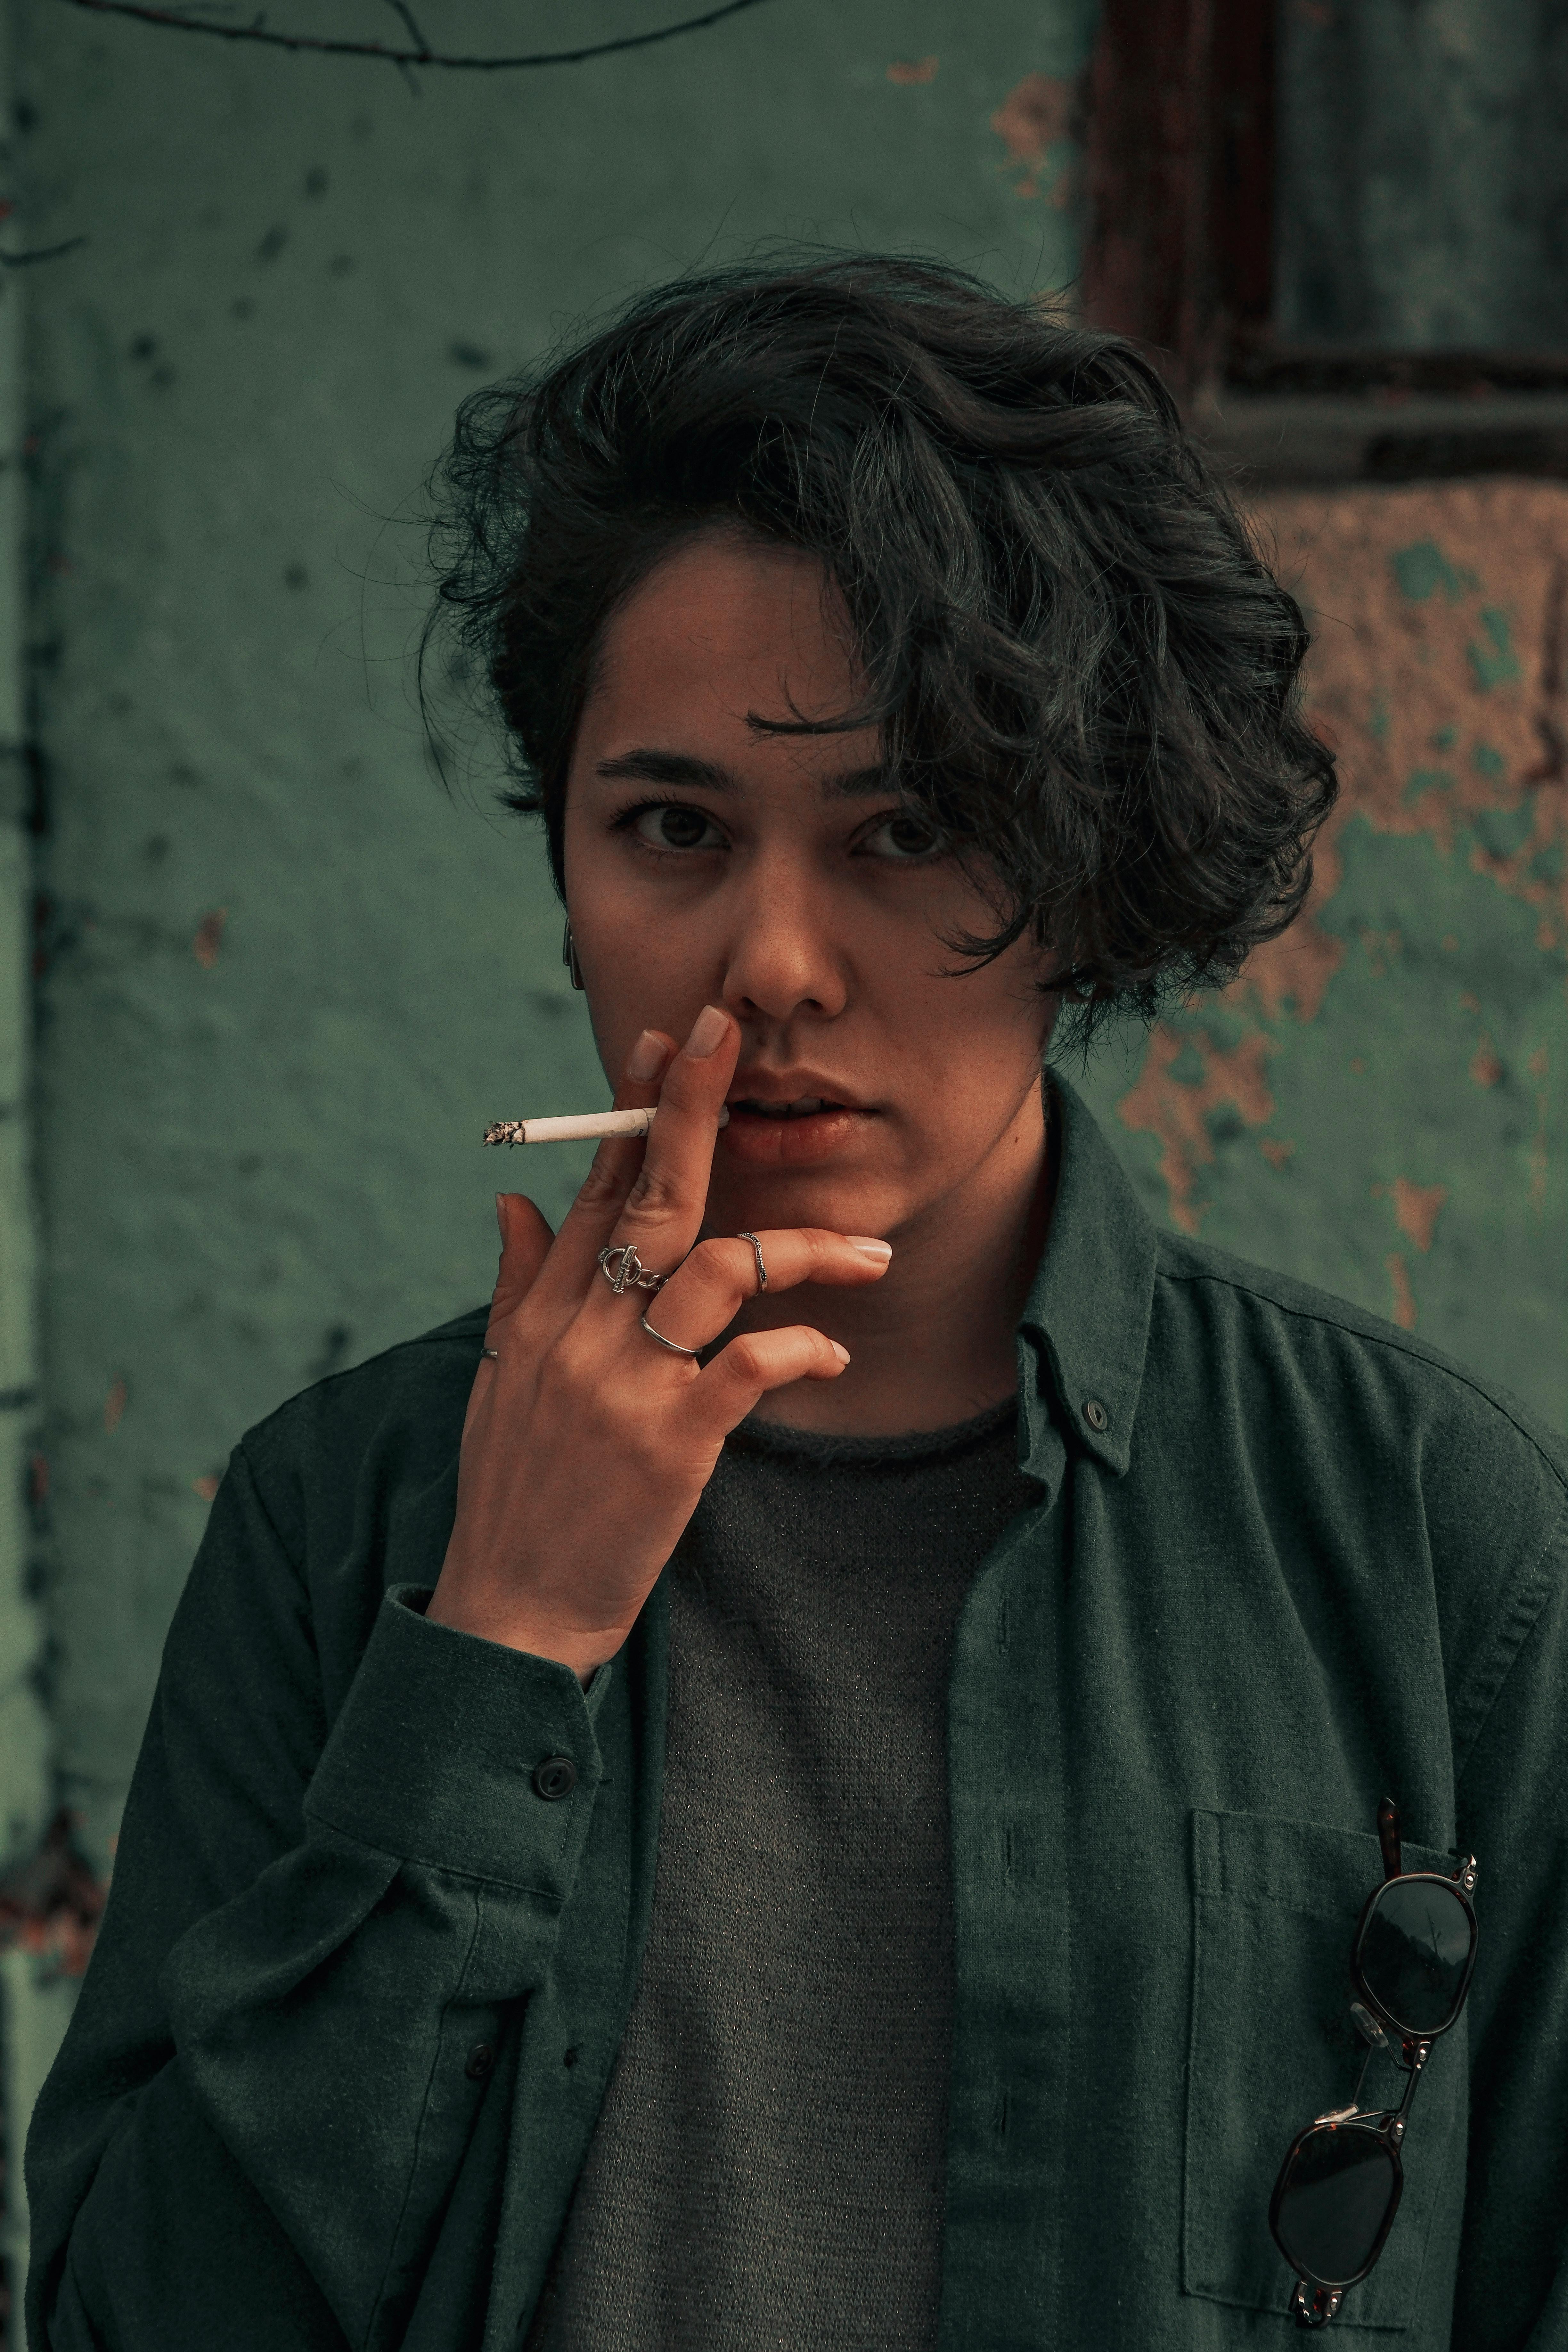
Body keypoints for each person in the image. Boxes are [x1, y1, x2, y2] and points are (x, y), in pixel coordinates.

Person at [24, 257, 1566, 2352]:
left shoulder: (1420, 1534)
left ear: (1088, 866)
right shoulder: (346, 1524)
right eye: (670, 825)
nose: (769, 962)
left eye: (909, 828)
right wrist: (500, 1647)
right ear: (561, 856)